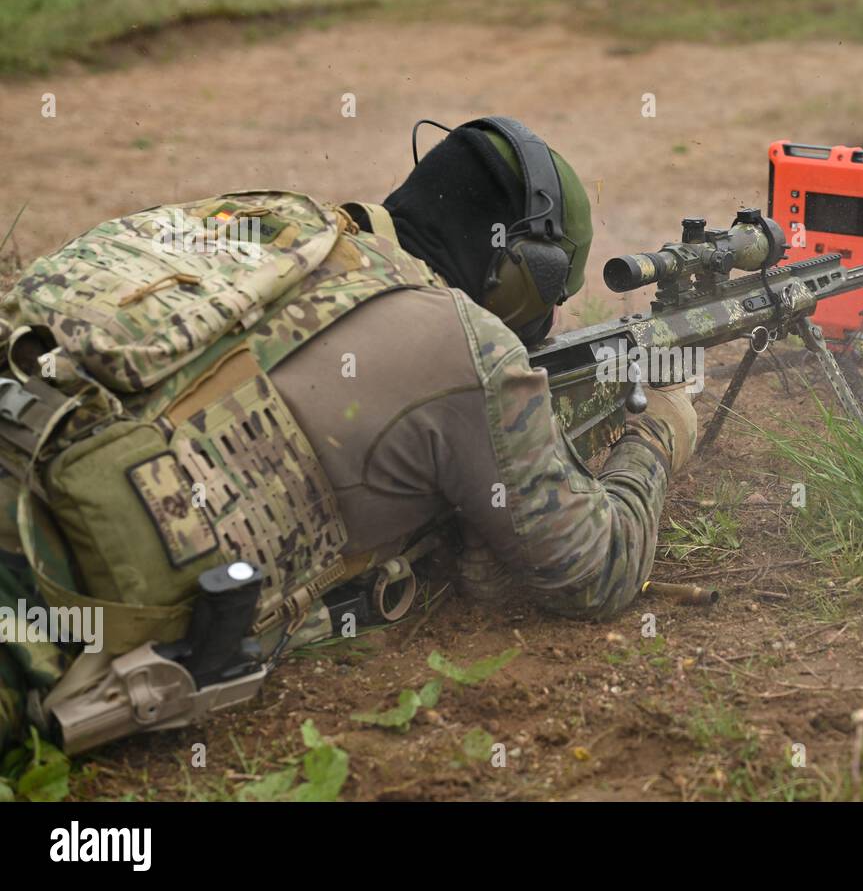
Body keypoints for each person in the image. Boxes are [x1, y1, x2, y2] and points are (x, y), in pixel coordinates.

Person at [0, 116, 695, 753]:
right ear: (521, 273)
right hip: (33, 601)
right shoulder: (470, 349)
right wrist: (658, 432)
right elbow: (594, 571)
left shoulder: (272, 228)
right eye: (548, 302)